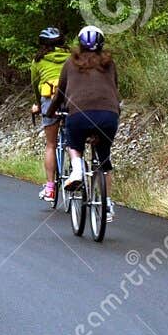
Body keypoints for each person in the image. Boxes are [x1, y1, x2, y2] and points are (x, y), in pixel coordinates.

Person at [54, 26, 120, 212]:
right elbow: (115, 90)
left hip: (78, 115)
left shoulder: (70, 63)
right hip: (108, 116)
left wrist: (51, 112)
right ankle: (106, 203)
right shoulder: (110, 64)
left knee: (73, 144)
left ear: (79, 44)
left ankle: (76, 171)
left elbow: (60, 93)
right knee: (104, 160)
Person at [29, 25, 67, 202]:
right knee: (76, 143)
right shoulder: (72, 57)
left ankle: (50, 188)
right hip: (72, 100)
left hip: (50, 100)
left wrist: (38, 104)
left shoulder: (38, 61)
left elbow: (35, 86)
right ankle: (78, 172)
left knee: (51, 144)